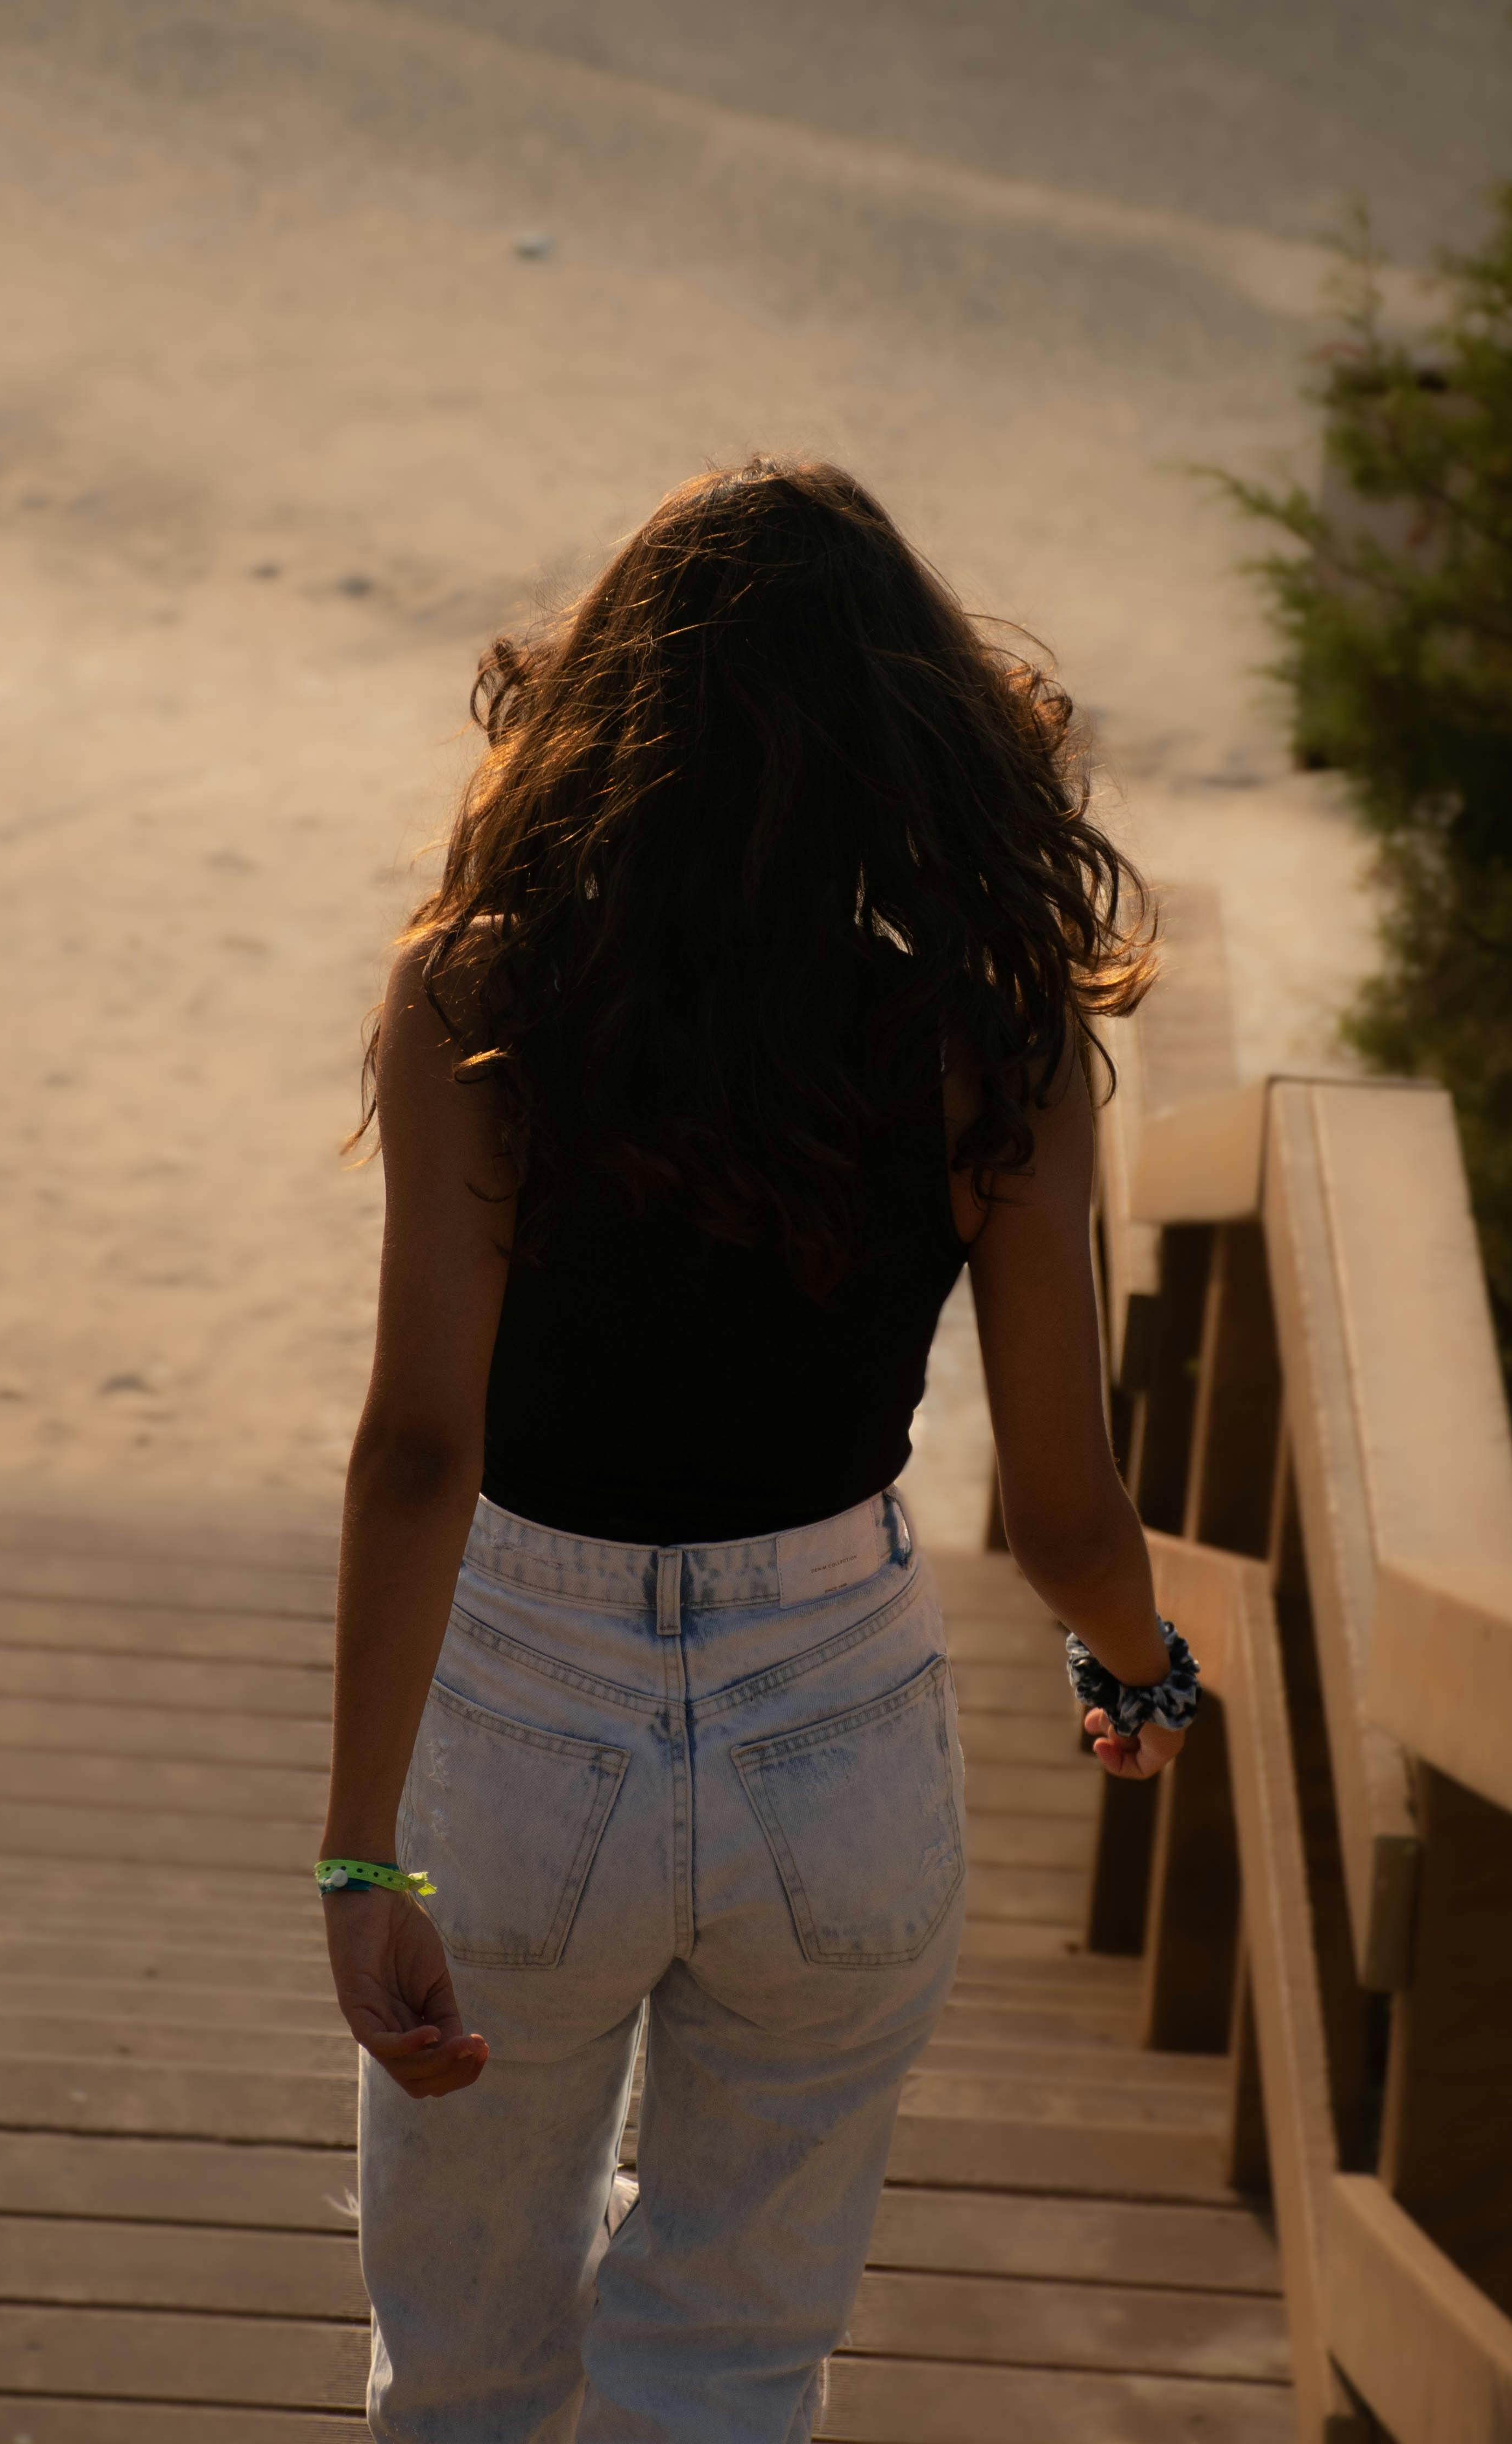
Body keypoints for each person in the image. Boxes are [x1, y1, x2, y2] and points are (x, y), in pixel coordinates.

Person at [318, 457, 1196, 2443]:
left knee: (462, 2378)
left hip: (527, 1737)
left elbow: (415, 1455)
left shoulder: (479, 995)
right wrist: (1144, 1671)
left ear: (608, 716)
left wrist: (365, 1851)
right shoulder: (999, 1040)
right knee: (727, 2366)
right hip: (842, 1748)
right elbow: (1066, 1509)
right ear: (922, 733)